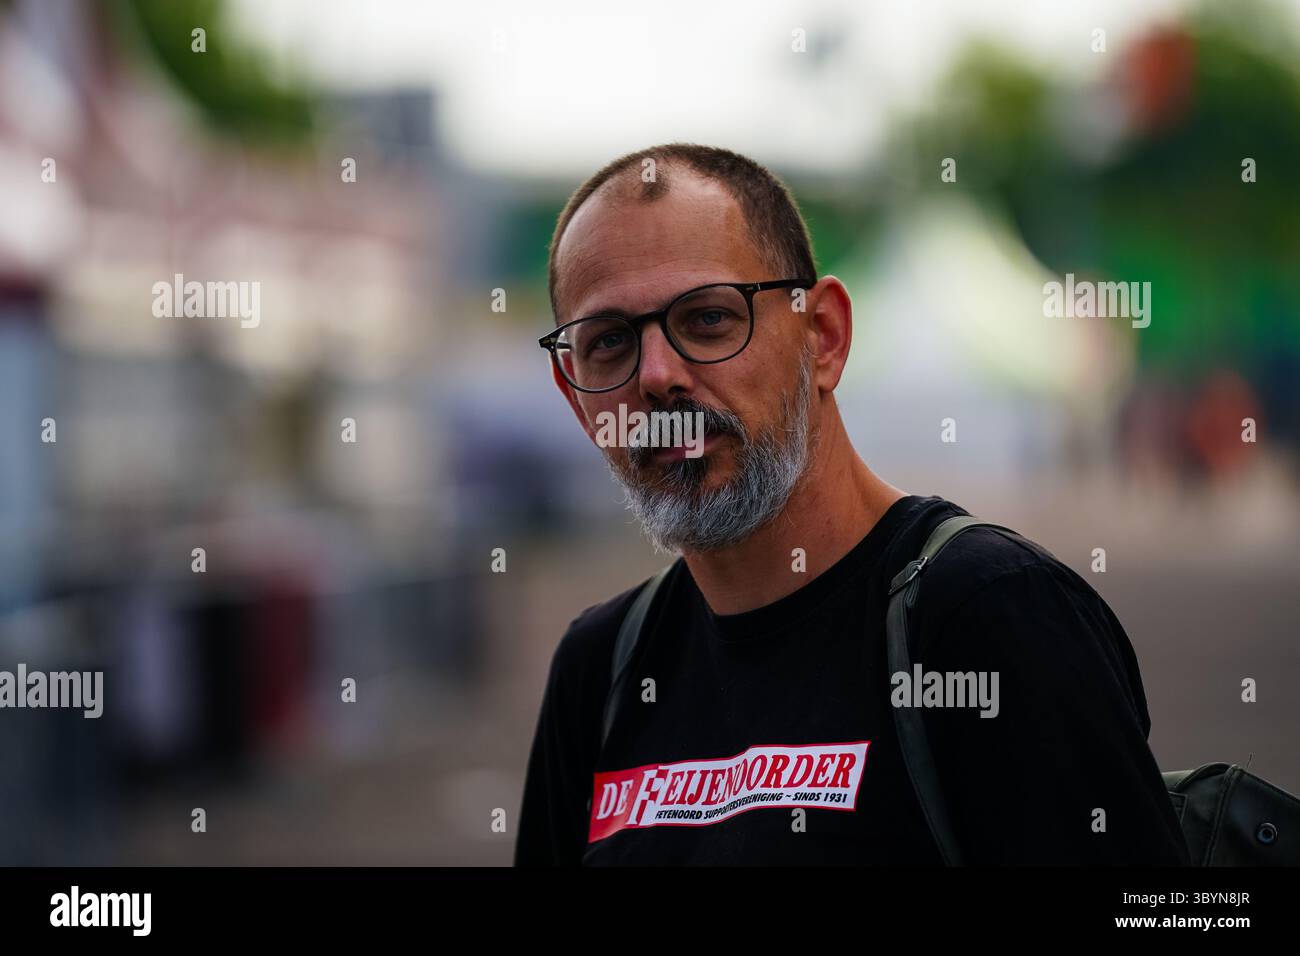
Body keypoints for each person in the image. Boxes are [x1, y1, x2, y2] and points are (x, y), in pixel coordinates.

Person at [515, 142, 1190, 866]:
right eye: (609, 341)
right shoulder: (602, 669)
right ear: (574, 398)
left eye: (708, 319)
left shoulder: (987, 615)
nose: (656, 376)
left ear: (825, 337)